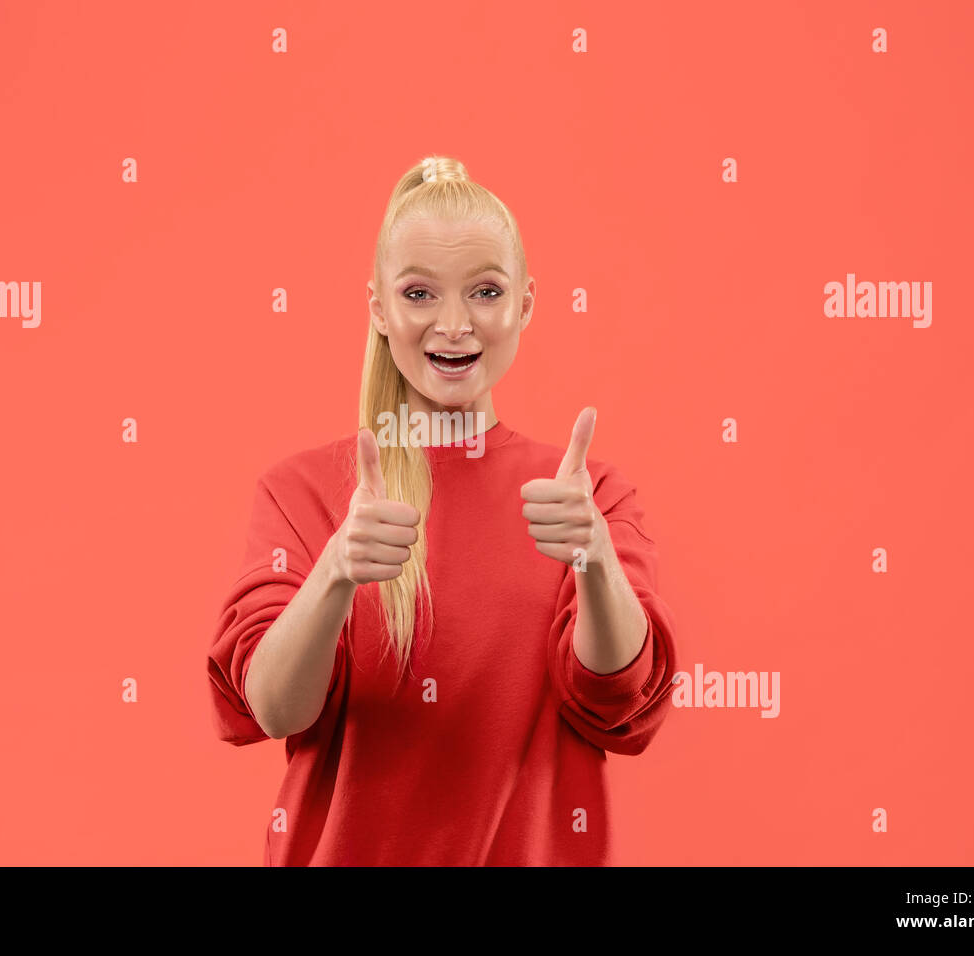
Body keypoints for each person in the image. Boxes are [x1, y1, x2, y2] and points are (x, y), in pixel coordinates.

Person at [206, 155, 678, 865]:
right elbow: (275, 707)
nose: (454, 325)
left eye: (485, 292)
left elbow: (616, 697)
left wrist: (596, 558)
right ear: (378, 308)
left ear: (525, 303)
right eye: (420, 294)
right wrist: (336, 571)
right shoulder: (299, 492)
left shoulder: (585, 495)